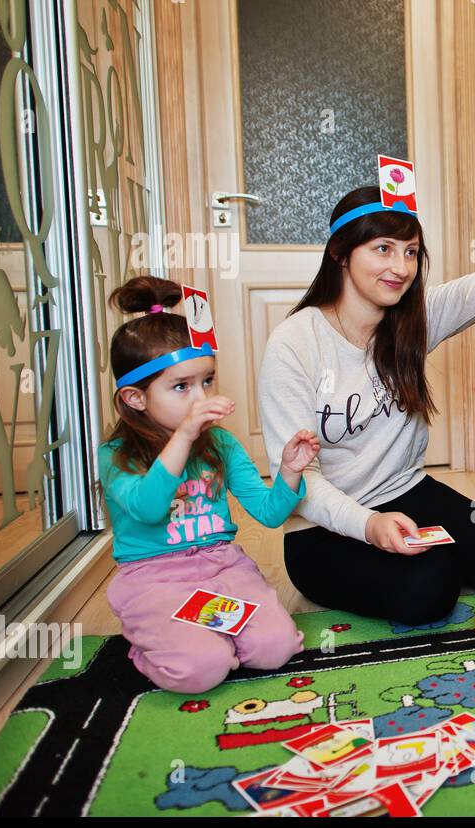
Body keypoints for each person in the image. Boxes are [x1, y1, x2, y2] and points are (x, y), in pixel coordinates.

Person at [258, 119, 475, 626]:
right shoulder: (293, 345)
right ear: (339, 253)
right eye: (382, 249)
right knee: (430, 587)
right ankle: (426, 563)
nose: (400, 266)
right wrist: (369, 526)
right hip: (321, 528)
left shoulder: (413, 319)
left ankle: (440, 557)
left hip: (411, 492)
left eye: (411, 252)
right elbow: (301, 481)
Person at [99, 276, 318, 694]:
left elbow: (269, 514)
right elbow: (147, 509)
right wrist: (182, 438)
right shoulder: (116, 456)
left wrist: (289, 471)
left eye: (207, 381)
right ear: (135, 398)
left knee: (276, 648)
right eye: (181, 387)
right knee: (204, 668)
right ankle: (147, 644)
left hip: (221, 567)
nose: (200, 399)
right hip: (154, 580)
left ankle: (204, 635)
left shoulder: (221, 443)